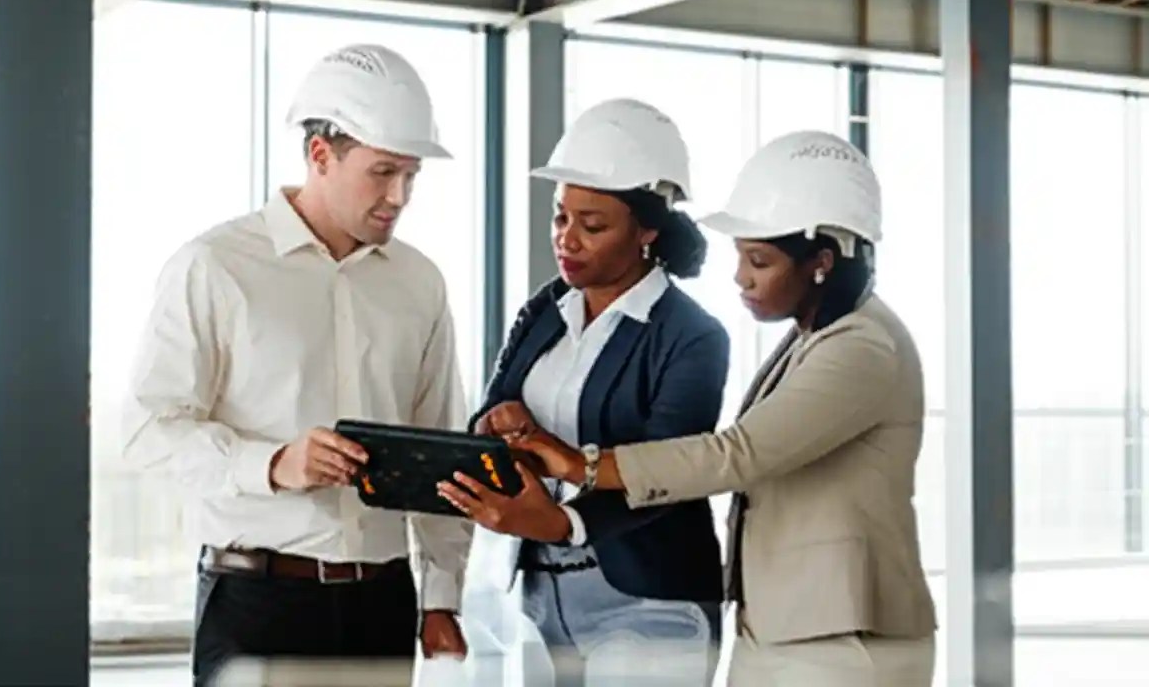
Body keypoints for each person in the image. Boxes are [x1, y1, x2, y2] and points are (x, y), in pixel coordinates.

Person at [443, 130, 938, 686]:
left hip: (836, 629)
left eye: (759, 260)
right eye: (562, 217)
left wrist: (575, 469)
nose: (740, 278)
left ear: (821, 261)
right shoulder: (813, 336)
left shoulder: (861, 346)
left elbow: (734, 455)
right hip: (780, 621)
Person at [121, 43, 473, 686]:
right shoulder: (215, 266)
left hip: (382, 604)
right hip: (257, 601)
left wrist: (442, 594)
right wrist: (274, 465)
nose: (400, 196)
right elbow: (148, 431)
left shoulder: (420, 283)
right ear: (320, 156)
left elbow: (440, 448)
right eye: (383, 172)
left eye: (412, 175)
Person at [467, 98, 730, 686]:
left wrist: (564, 524)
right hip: (540, 597)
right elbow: (487, 412)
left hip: (649, 601)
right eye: (560, 217)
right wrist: (494, 424)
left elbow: (667, 472)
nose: (568, 239)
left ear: (647, 230)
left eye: (592, 226)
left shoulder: (692, 336)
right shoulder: (544, 308)